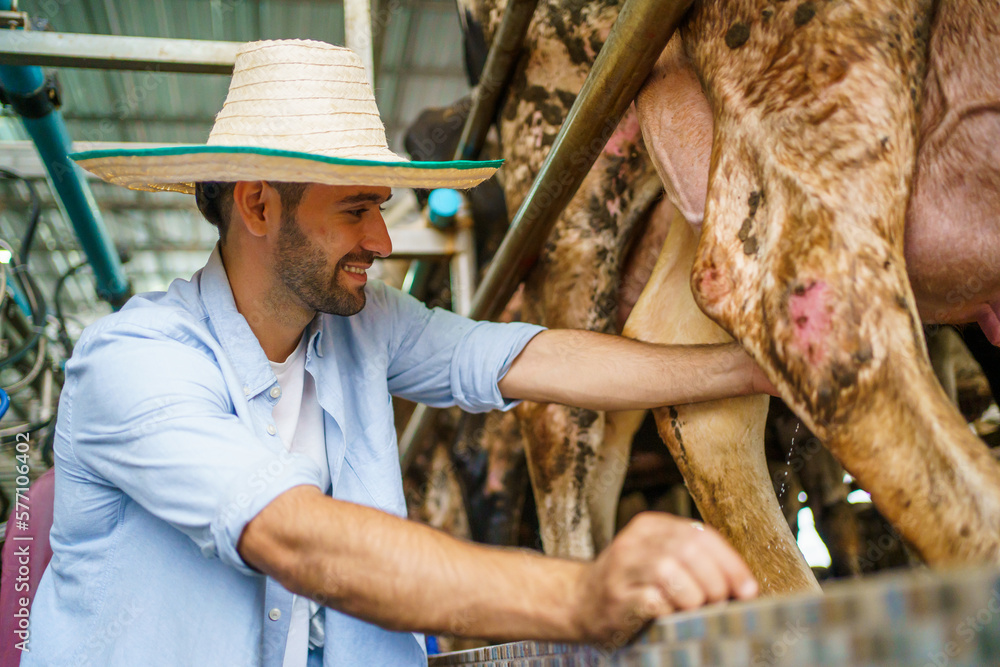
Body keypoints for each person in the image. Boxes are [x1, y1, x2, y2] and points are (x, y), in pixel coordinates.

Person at [24, 39, 770, 667]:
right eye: (355, 210)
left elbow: (519, 359)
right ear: (256, 204)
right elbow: (294, 536)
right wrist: (581, 594)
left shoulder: (362, 325)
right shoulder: (131, 360)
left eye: (381, 208)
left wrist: (749, 366)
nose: (382, 242)